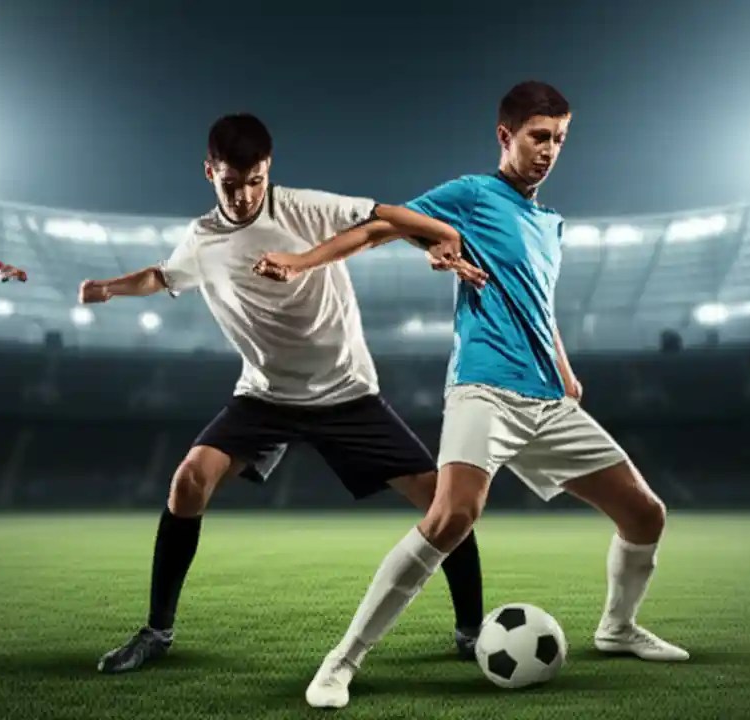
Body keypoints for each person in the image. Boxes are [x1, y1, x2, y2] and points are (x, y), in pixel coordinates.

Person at [254, 81, 688, 710]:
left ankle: (617, 629)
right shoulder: (472, 195)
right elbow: (381, 226)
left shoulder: (551, 224)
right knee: (452, 517)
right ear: (505, 136)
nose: (550, 150)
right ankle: (341, 661)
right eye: (539, 136)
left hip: (547, 397)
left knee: (645, 514)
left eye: (560, 139)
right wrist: (303, 262)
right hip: (485, 386)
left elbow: (539, 303)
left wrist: (564, 368)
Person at [84, 113, 490, 674]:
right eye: (232, 182)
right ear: (209, 172)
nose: (246, 194)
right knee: (188, 480)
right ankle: (157, 631)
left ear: (268, 171)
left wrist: (438, 237)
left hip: (346, 394)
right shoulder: (202, 239)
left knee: (446, 507)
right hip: (264, 397)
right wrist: (109, 287)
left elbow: (380, 217)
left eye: (256, 180)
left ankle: (472, 631)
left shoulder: (301, 207)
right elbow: (163, 275)